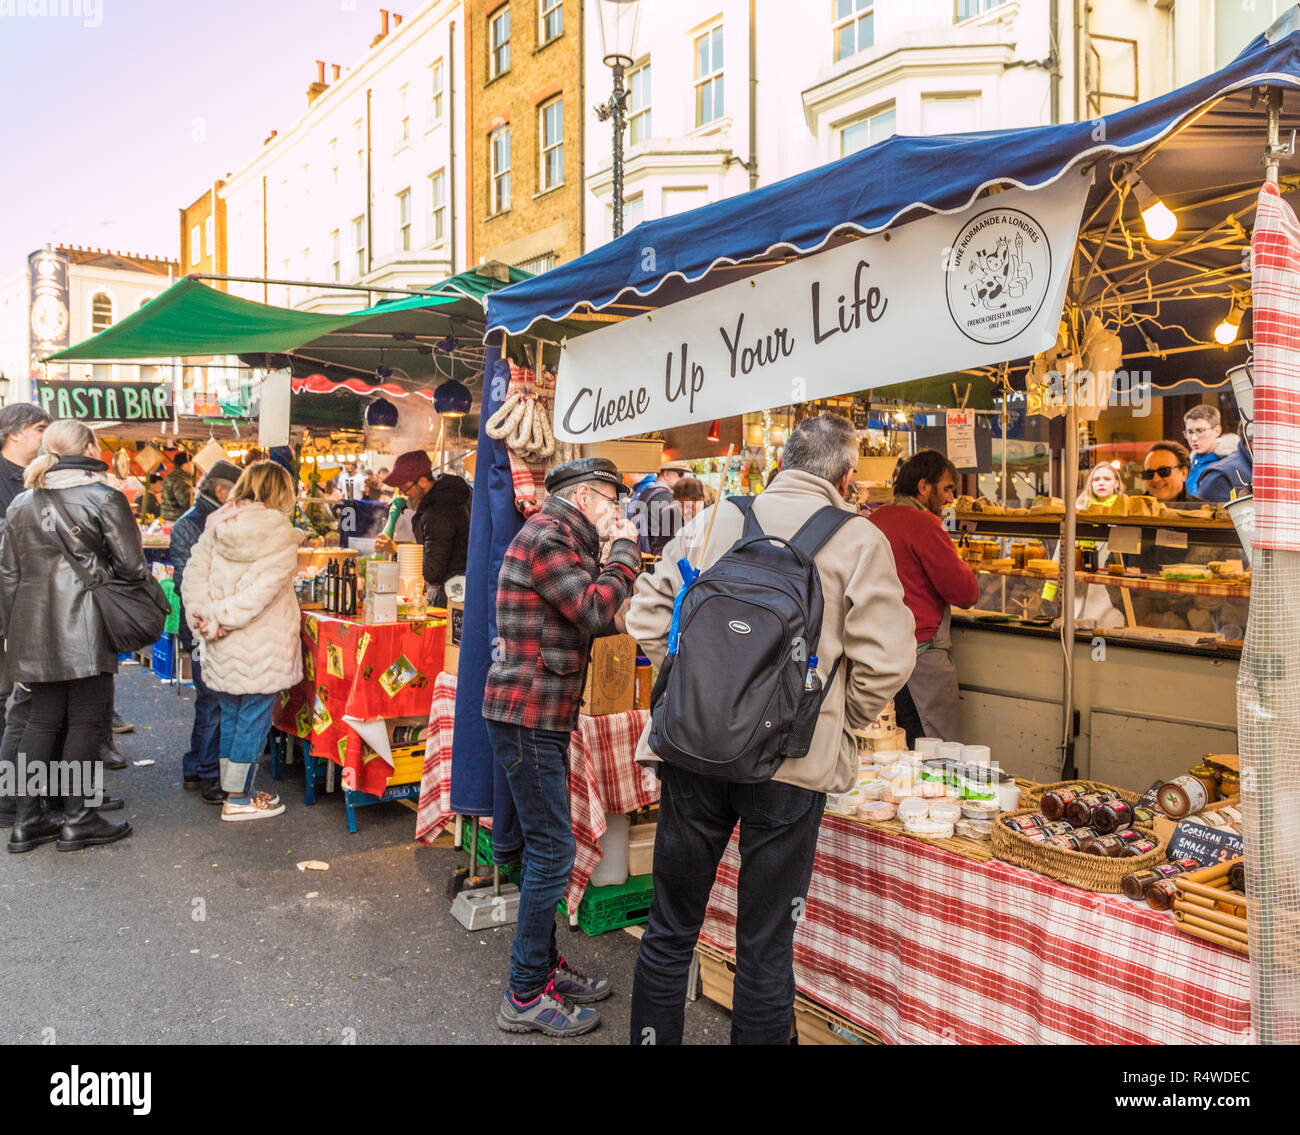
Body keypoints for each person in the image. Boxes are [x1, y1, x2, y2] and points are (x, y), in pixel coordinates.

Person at [624, 413, 916, 1045]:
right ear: (844, 477)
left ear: (783, 460)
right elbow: (889, 660)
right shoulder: (860, 540)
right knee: (763, 947)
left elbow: (645, 611)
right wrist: (835, 722)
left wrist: (693, 684)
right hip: (791, 766)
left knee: (671, 928)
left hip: (692, 752)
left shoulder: (716, 520)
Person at [483, 457, 642, 1037]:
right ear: (584, 496)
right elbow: (597, 610)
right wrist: (625, 551)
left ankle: (544, 970)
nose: (618, 511)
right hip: (528, 714)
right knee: (553, 851)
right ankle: (525, 993)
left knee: (548, 846)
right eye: (611, 498)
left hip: (534, 713)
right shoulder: (549, 538)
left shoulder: (559, 538)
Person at [0, 420, 138, 852]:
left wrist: (12, 631)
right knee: (85, 722)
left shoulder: (21, 502)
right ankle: (78, 817)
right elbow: (132, 567)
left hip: (30, 629)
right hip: (85, 627)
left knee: (38, 723)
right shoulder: (103, 496)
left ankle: (29, 819)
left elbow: (7, 576)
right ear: (90, 447)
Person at [182, 461, 305, 822]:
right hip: (261, 643)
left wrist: (206, 618)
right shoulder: (280, 534)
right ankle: (239, 798)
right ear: (280, 492)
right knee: (252, 718)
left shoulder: (217, 525)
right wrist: (221, 617)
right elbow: (261, 593)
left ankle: (231, 789)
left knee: (232, 715)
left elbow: (193, 578)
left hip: (220, 642)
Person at [868, 449, 979, 745]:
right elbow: (965, 593)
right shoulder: (926, 524)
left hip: (876, 659)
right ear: (923, 487)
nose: (950, 499)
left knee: (888, 752)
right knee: (935, 755)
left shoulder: (874, 519)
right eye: (947, 488)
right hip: (919, 662)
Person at [169, 460, 243, 804]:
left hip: (209, 620)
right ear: (220, 491)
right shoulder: (193, 525)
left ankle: (196, 767)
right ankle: (209, 774)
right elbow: (192, 579)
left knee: (210, 700)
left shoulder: (204, 521)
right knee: (212, 699)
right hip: (203, 624)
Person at [0, 403, 51, 825]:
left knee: (32, 707)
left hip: (35, 607)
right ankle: (13, 802)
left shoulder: (41, 478)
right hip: (13, 609)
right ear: (14, 434)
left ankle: (36, 799)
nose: (43, 437)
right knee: (16, 706)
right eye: (38, 429)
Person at [377, 450, 470, 605]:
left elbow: (432, 571)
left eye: (405, 488)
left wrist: (395, 550)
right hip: (461, 590)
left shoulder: (437, 514)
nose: (402, 494)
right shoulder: (449, 500)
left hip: (451, 595)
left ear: (422, 482)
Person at [1183, 405, 1252, 502]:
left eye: (1200, 431)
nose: (1194, 438)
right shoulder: (1187, 464)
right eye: (1189, 432)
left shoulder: (1228, 468)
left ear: (1217, 430)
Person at [627, 460, 691, 557]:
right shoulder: (667, 499)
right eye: (680, 474)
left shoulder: (645, 492)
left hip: (642, 555)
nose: (682, 479)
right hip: (658, 559)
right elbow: (670, 540)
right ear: (667, 474)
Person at [160, 452, 194, 520]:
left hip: (167, 518)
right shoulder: (180, 480)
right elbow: (186, 502)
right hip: (176, 519)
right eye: (192, 464)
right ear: (185, 465)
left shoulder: (170, 477)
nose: (193, 467)